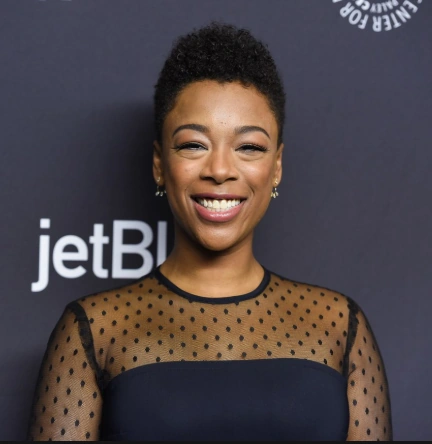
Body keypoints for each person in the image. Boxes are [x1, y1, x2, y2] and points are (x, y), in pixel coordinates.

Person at [26, 22, 392, 441]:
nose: (219, 170)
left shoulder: (339, 324)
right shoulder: (94, 329)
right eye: (193, 145)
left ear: (276, 167)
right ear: (159, 164)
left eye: (249, 147)